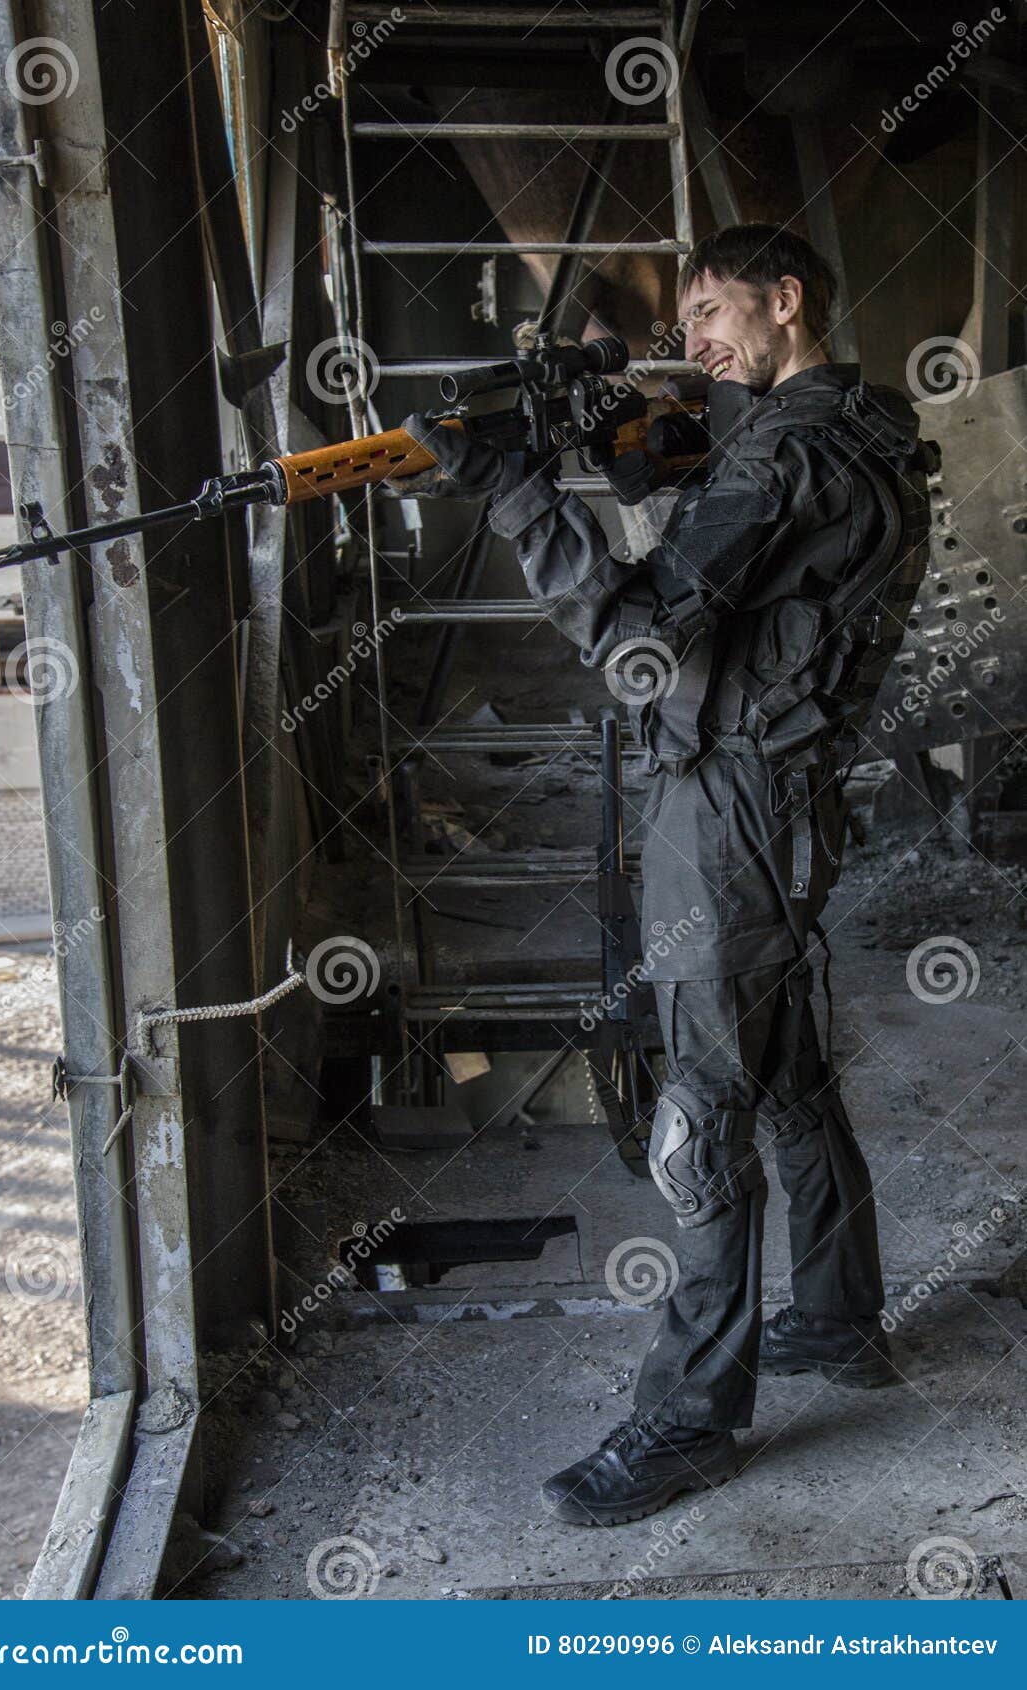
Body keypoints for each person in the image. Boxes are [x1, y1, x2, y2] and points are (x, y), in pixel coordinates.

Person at [401, 223, 935, 1527]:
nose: (690, 342)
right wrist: (610, 431)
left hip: (730, 812)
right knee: (788, 1068)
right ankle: (839, 1317)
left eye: (709, 314)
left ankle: (693, 1415)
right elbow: (731, 511)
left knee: (699, 1112)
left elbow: (640, 635)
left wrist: (525, 488)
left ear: (786, 302)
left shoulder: (792, 456)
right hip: (780, 801)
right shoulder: (855, 424)